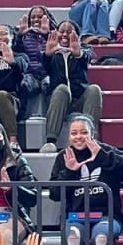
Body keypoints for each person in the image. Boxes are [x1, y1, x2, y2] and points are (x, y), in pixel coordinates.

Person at [47, 116, 123, 245]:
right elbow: (54, 194)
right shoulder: (64, 157)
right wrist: (69, 171)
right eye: (74, 133)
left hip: (107, 215)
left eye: (83, 132)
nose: (78, 137)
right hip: (76, 216)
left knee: (101, 237)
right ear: (68, 137)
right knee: (73, 236)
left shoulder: (104, 151)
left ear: (93, 134)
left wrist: (103, 158)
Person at [40, 21, 103, 154]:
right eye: (61, 31)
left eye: (69, 32)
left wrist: (78, 54)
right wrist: (47, 55)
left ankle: (89, 138)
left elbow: (88, 57)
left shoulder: (84, 50)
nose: (64, 34)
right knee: (62, 88)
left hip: (79, 99)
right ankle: (51, 141)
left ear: (77, 35)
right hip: (58, 101)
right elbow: (43, 69)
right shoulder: (52, 51)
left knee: (94, 89)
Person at [14, 7, 54, 118]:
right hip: (31, 74)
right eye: (33, 17)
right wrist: (20, 35)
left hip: (48, 73)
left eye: (40, 17)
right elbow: (16, 52)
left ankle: (52, 117)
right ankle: (21, 117)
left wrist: (46, 34)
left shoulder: (53, 35)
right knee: (24, 84)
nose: (36, 19)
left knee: (49, 84)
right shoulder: (23, 36)